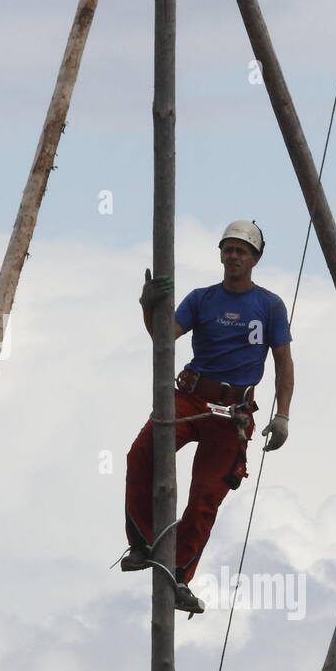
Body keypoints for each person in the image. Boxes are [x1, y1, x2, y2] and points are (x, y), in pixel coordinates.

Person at [122, 220, 294, 614]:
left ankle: (176, 575)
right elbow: (163, 336)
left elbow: (284, 363)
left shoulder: (269, 305)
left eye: (241, 251)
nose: (233, 256)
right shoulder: (202, 299)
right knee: (140, 454)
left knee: (205, 499)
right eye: (228, 249)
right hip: (191, 398)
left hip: (233, 412)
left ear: (254, 259)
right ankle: (143, 543)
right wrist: (148, 305)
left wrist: (282, 415)